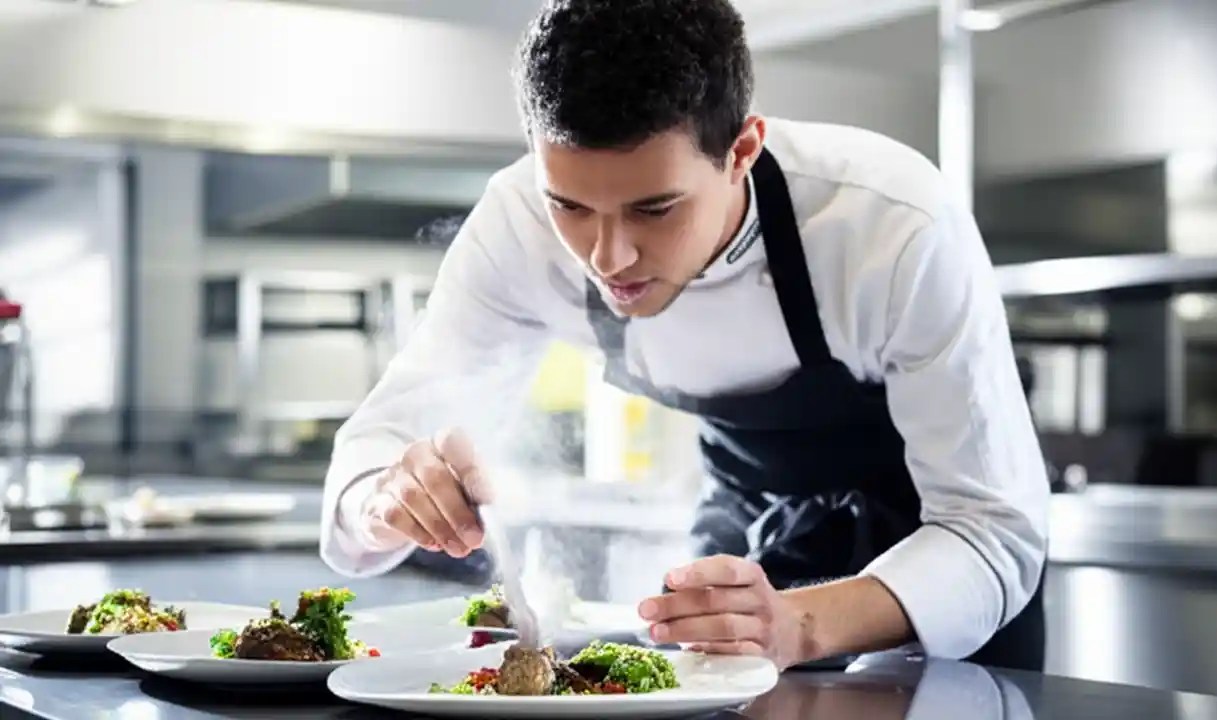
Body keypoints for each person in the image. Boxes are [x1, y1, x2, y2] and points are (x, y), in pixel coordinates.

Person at [320, 0, 1048, 672]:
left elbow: (993, 533)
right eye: (569, 206)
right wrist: (388, 499)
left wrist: (798, 625)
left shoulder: (894, 226)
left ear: (743, 151)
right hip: (745, 544)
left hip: (940, 589)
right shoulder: (514, 226)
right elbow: (375, 456)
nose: (609, 257)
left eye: (655, 209)